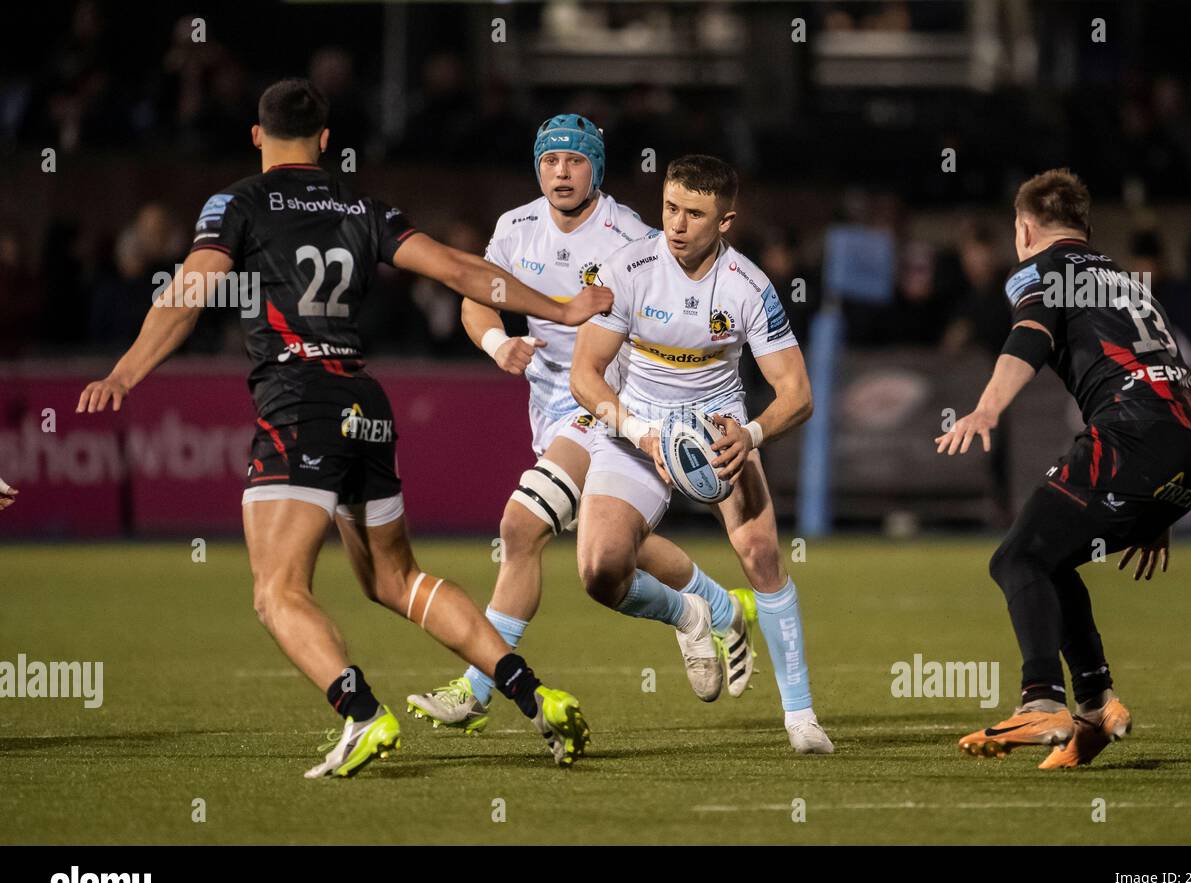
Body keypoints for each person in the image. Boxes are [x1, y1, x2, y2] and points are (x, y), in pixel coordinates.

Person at [75, 79, 611, 775]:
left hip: (297, 403)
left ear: (257, 135)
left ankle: (362, 715)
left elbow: (191, 289)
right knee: (395, 579)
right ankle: (535, 696)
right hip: (363, 402)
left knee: (277, 593)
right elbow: (458, 269)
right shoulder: (362, 204)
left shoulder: (237, 201)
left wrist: (126, 370)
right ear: (327, 141)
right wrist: (564, 309)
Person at [409, 116, 758, 731]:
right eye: (550, 161)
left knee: (519, 528)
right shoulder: (515, 228)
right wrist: (496, 344)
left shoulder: (629, 234)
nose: (561, 172)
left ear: (595, 169)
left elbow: (679, 294)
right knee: (610, 559)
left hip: (604, 408)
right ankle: (708, 608)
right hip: (547, 410)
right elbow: (476, 297)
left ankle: (478, 688)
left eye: (574, 161)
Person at [936, 169, 1191, 768]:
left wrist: (986, 408)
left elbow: (1030, 336)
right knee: (1052, 558)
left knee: (1017, 558)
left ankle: (1041, 703)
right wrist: (1158, 504)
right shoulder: (1131, 283)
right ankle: (1096, 706)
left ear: (1025, 228)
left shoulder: (1043, 270)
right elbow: (1168, 369)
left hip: (1132, 440)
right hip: (1189, 451)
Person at [570, 155, 833, 755]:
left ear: (727, 221)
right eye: (669, 208)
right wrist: (640, 434)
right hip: (635, 432)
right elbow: (586, 376)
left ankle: (801, 719)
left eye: (694, 213)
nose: (677, 224)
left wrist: (752, 436)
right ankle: (694, 615)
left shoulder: (748, 287)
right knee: (600, 572)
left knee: (763, 554)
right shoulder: (626, 268)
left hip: (718, 436)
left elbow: (797, 395)